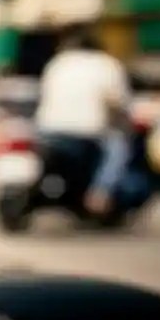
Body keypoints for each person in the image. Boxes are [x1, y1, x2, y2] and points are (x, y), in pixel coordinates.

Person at [34, 27, 131, 215]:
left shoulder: (58, 63)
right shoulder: (107, 64)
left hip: (47, 129)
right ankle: (100, 193)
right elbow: (118, 101)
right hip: (87, 131)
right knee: (119, 147)